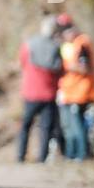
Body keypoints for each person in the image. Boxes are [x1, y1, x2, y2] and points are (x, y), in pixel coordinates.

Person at [16, 16, 64, 163]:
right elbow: (59, 68)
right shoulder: (56, 47)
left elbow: (22, 62)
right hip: (48, 93)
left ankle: (20, 156)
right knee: (45, 128)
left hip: (30, 92)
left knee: (25, 126)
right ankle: (42, 158)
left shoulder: (29, 44)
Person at [56, 14, 94, 160]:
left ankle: (81, 154)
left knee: (78, 126)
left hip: (80, 93)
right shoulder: (72, 45)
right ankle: (72, 154)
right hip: (70, 92)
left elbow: (85, 68)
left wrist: (67, 66)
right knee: (72, 126)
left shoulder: (82, 44)